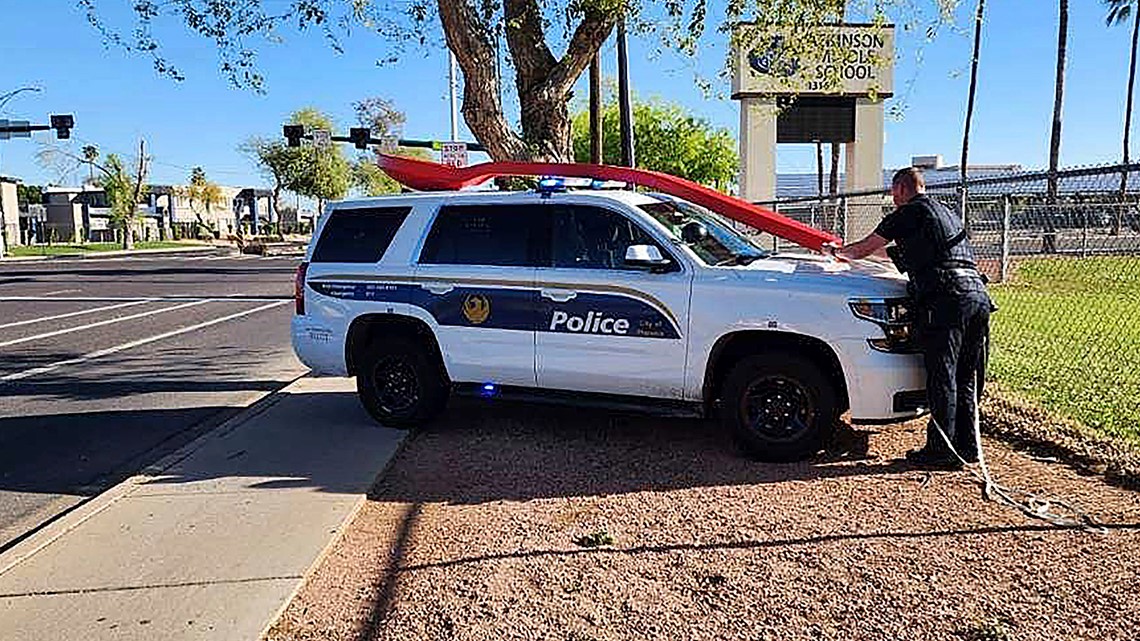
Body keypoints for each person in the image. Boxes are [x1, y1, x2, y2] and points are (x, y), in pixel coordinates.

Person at [824, 167, 995, 469]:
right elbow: (891, 253)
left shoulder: (908, 211)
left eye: (893, 192)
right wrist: (852, 252)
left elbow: (865, 248)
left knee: (943, 375)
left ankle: (941, 451)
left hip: (946, 299)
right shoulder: (945, 214)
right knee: (965, 376)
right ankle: (967, 448)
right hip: (977, 297)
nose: (892, 198)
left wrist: (837, 252)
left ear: (901, 189)